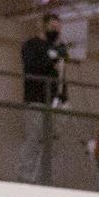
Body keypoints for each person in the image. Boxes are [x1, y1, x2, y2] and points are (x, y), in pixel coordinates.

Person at [18, 13, 69, 185]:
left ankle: (46, 179)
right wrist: (51, 58)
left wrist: (64, 98)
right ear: (43, 26)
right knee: (33, 139)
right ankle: (25, 178)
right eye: (52, 27)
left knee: (54, 142)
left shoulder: (58, 48)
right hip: (37, 99)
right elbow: (32, 67)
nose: (55, 31)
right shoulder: (31, 45)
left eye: (58, 28)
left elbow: (61, 77)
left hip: (56, 101)